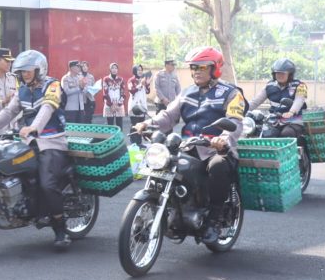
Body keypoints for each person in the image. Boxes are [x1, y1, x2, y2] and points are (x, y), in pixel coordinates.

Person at [134, 46, 246, 244]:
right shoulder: (187, 92)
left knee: (218, 166)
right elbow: (169, 116)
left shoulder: (231, 93)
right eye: (194, 68)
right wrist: (148, 123)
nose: (196, 72)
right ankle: (175, 208)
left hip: (215, 148)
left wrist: (224, 138)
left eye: (202, 68)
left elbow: (235, 120)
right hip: (189, 146)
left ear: (214, 69)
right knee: (165, 162)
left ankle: (213, 220)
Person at [0, 50, 72, 249]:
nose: (25, 74)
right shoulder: (22, 90)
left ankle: (60, 229)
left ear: (39, 69)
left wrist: (34, 127)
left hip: (52, 141)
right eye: (22, 71)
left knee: (47, 184)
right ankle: (28, 208)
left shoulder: (53, 85)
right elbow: (7, 114)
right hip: (28, 141)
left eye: (29, 70)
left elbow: (48, 107)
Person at [248, 58, 308, 138]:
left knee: (286, 133)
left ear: (289, 74)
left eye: (283, 73)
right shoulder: (269, 86)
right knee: (266, 134)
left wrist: (291, 112)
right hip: (275, 120)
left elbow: (299, 100)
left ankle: (297, 150)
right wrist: (242, 110)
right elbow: (255, 102)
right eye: (277, 73)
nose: (280, 75)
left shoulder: (300, 85)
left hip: (294, 120)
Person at [127, 64, 151, 144]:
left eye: (141, 70)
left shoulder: (143, 79)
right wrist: (140, 84)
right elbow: (131, 90)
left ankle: (139, 143)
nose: (140, 71)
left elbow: (148, 92)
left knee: (141, 124)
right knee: (134, 124)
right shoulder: (131, 80)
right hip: (134, 105)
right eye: (138, 70)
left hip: (142, 105)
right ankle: (133, 143)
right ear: (134, 71)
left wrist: (147, 84)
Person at [102, 63, 126, 129]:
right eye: (112, 68)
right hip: (109, 104)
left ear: (118, 70)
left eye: (116, 68)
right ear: (110, 69)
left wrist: (119, 104)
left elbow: (123, 93)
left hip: (119, 104)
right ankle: (110, 138)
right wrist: (111, 105)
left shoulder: (121, 79)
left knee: (119, 124)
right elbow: (105, 93)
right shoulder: (106, 79)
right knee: (110, 125)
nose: (114, 70)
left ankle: (119, 138)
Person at [61, 60, 85, 124]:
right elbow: (66, 92)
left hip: (81, 108)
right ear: (71, 68)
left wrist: (83, 88)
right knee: (71, 128)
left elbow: (84, 91)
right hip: (70, 108)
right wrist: (79, 88)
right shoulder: (66, 78)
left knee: (80, 128)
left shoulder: (80, 77)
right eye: (78, 67)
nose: (79, 68)